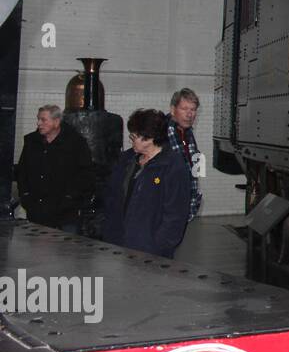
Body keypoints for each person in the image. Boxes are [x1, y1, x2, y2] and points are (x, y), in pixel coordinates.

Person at [103, 109, 192, 258]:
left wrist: (159, 246)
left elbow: (176, 215)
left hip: (150, 251)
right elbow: (112, 195)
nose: (131, 140)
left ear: (150, 138)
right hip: (118, 244)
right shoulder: (127, 159)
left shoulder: (172, 166)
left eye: (135, 136)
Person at [15, 104, 94, 233]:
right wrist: (25, 196)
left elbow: (85, 175)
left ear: (56, 122)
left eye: (43, 120)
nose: (38, 123)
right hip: (37, 211)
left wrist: (70, 198)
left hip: (65, 213)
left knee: (66, 249)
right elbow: (22, 172)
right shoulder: (31, 142)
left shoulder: (76, 143)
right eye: (38, 119)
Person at [166, 87, 203, 223]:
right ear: (173, 109)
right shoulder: (162, 133)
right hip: (168, 208)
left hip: (185, 207)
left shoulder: (187, 133)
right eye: (184, 109)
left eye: (193, 110)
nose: (189, 114)